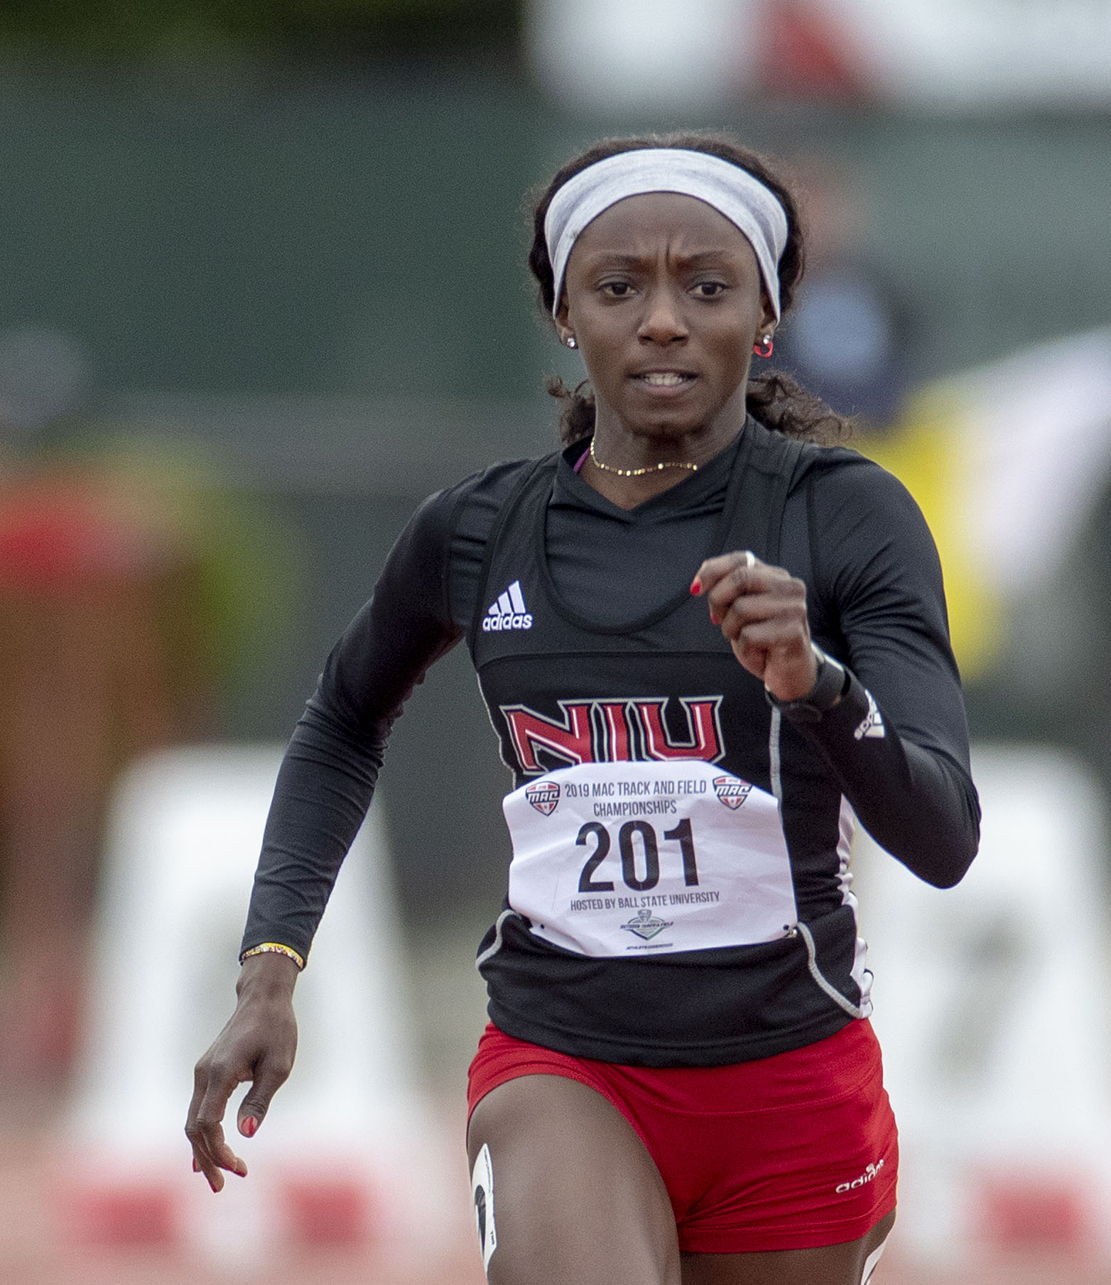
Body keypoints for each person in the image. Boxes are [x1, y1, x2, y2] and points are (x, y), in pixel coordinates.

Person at [188, 134, 979, 1285]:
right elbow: (340, 719)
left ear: (764, 319)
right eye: (618, 288)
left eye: (705, 287)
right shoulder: (477, 531)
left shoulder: (846, 517)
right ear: (567, 315)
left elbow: (944, 835)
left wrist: (818, 686)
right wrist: (270, 968)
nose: (661, 320)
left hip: (789, 1072)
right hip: (564, 1057)